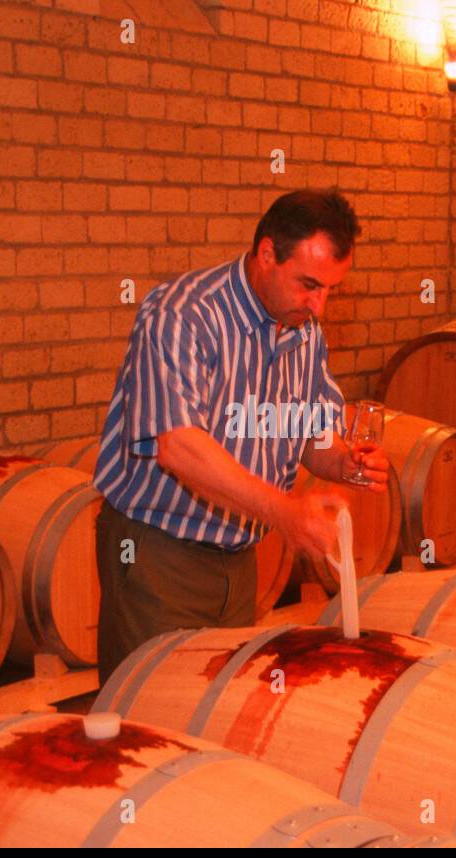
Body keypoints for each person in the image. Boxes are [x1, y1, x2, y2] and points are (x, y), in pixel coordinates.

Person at [91, 188, 390, 682]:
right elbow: (178, 447)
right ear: (267, 254)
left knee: (213, 712)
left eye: (331, 289)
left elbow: (310, 430)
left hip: (239, 559)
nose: (319, 306)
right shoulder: (183, 314)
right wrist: (284, 511)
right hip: (158, 555)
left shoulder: (303, 330)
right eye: (309, 284)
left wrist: (344, 461)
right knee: (147, 712)